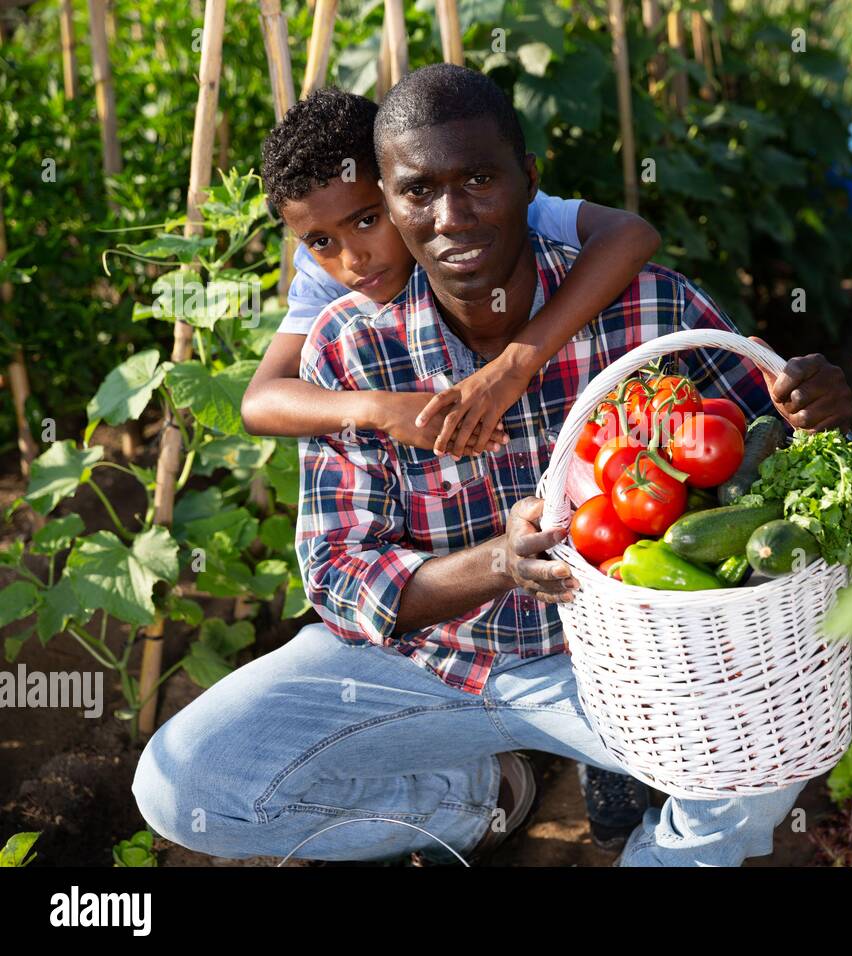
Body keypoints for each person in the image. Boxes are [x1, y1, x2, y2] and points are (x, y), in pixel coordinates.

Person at [133, 63, 852, 866]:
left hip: (628, 670)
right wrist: (500, 565)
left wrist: (808, 412)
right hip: (431, 666)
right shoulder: (352, 348)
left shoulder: (648, 306)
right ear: (393, 200)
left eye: (480, 179)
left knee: (763, 747)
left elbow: (774, 460)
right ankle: (468, 803)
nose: (452, 217)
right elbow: (338, 573)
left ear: (529, 181)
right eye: (418, 193)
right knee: (189, 782)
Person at [244, 87, 659, 847]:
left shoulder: (506, 216)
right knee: (199, 777)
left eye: (366, 221)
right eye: (322, 243)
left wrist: (514, 364)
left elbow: (631, 234)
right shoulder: (344, 313)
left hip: (611, 636)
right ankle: (478, 788)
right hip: (459, 641)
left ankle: (609, 752)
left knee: (722, 772)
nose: (353, 257)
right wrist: (376, 407)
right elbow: (262, 400)